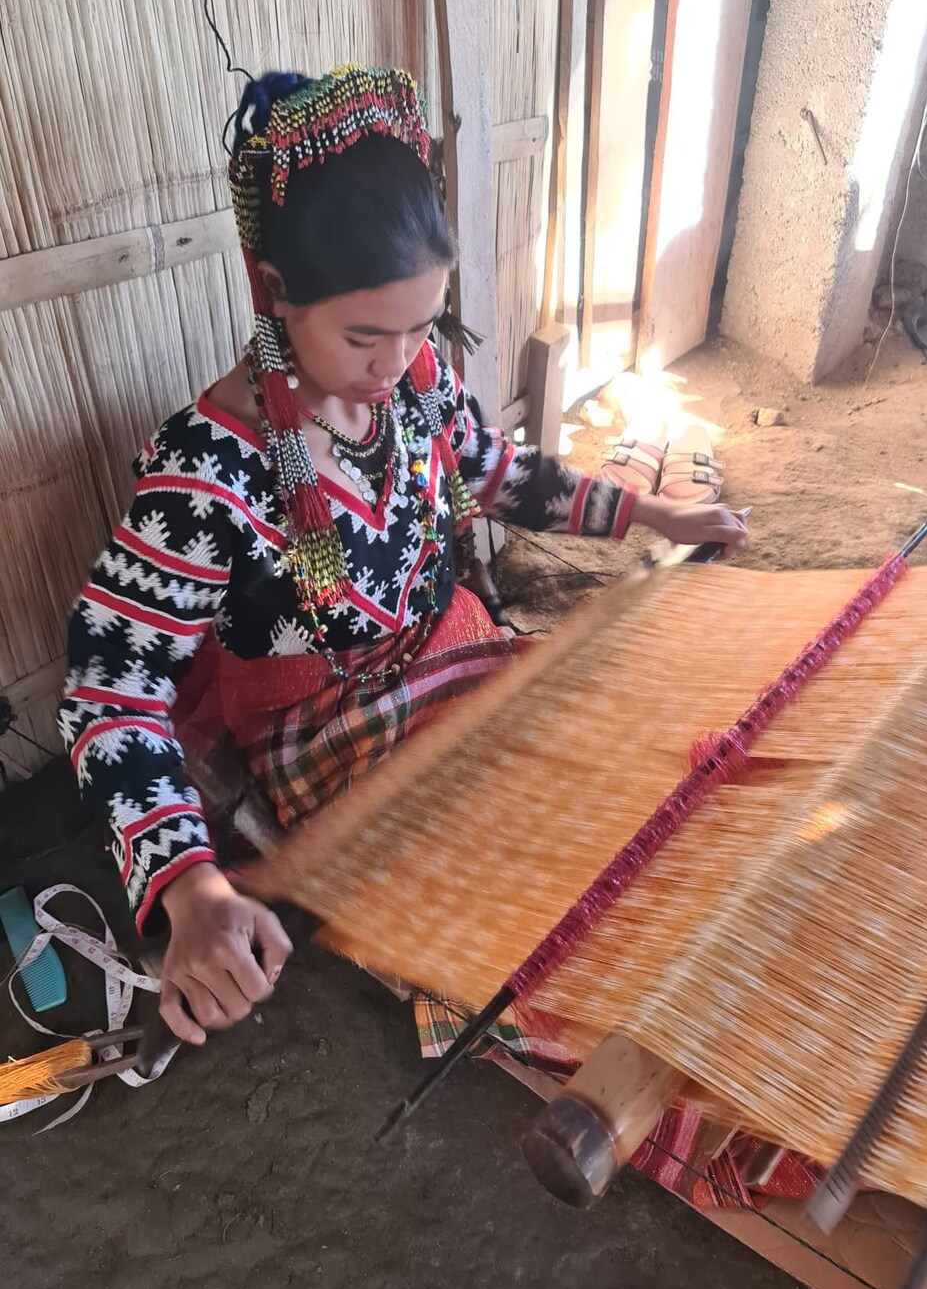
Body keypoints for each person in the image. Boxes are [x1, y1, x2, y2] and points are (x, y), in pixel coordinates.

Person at [58, 65, 747, 1051]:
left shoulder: (413, 377)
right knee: (560, 917)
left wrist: (654, 515)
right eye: (363, 334)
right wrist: (191, 885)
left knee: (656, 771)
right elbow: (106, 689)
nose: (394, 365)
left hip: (454, 654)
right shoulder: (207, 474)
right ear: (274, 291)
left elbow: (495, 468)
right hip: (335, 744)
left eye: (421, 325)